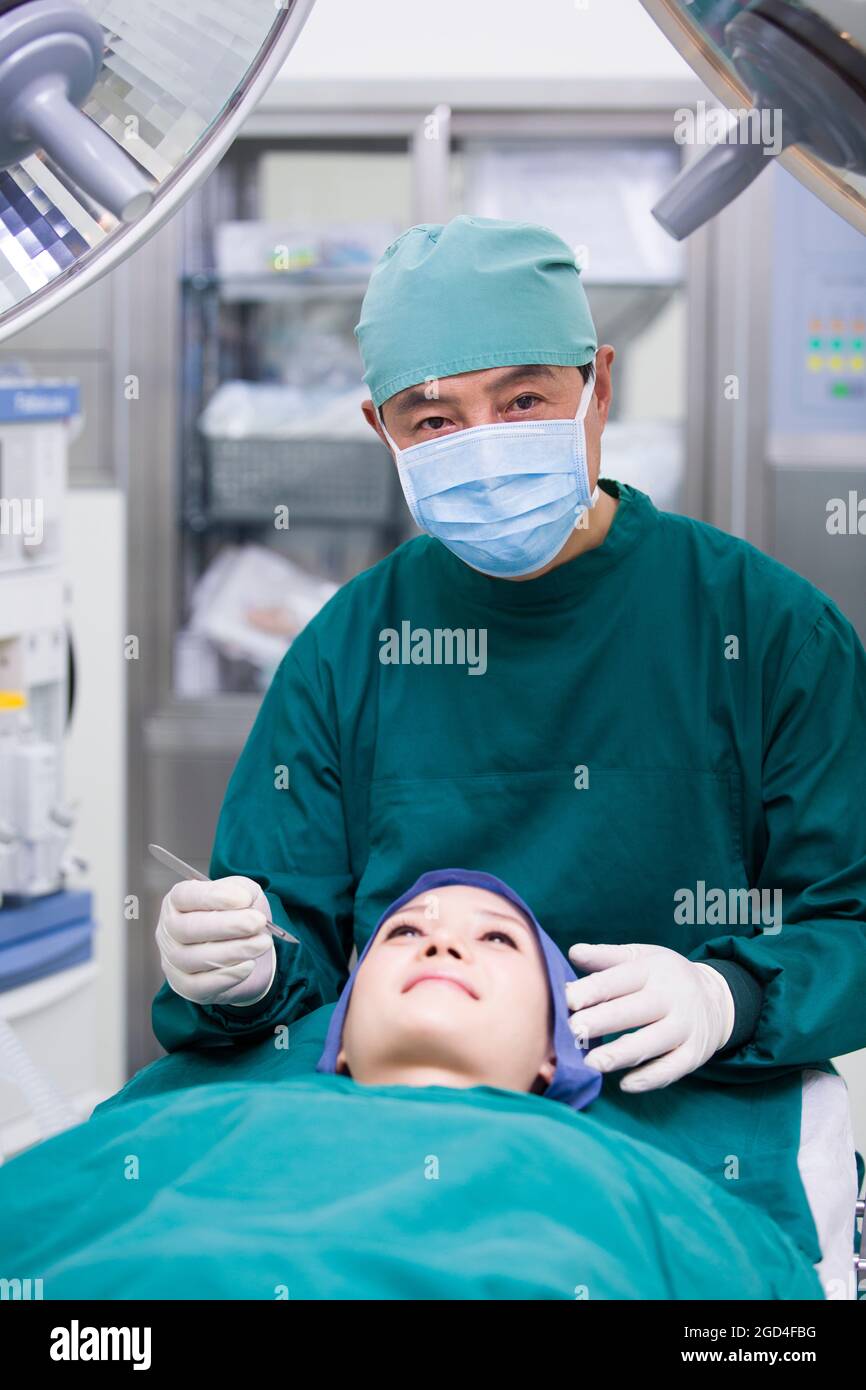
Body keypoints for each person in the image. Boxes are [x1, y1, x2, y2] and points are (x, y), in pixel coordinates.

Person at [152, 216, 866, 1285]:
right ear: (379, 429)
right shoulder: (351, 648)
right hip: (382, 1135)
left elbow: (848, 913)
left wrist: (733, 997)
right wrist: (243, 973)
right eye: (432, 417)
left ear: (598, 386)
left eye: (523, 400)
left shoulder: (761, 631)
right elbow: (282, 922)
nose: (481, 443)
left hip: (677, 1127)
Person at [0, 870, 824, 1300]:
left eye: (497, 941)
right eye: (403, 933)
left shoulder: (647, 1194)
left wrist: (730, 992)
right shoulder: (173, 1136)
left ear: (552, 1056)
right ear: (341, 1039)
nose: (441, 946)